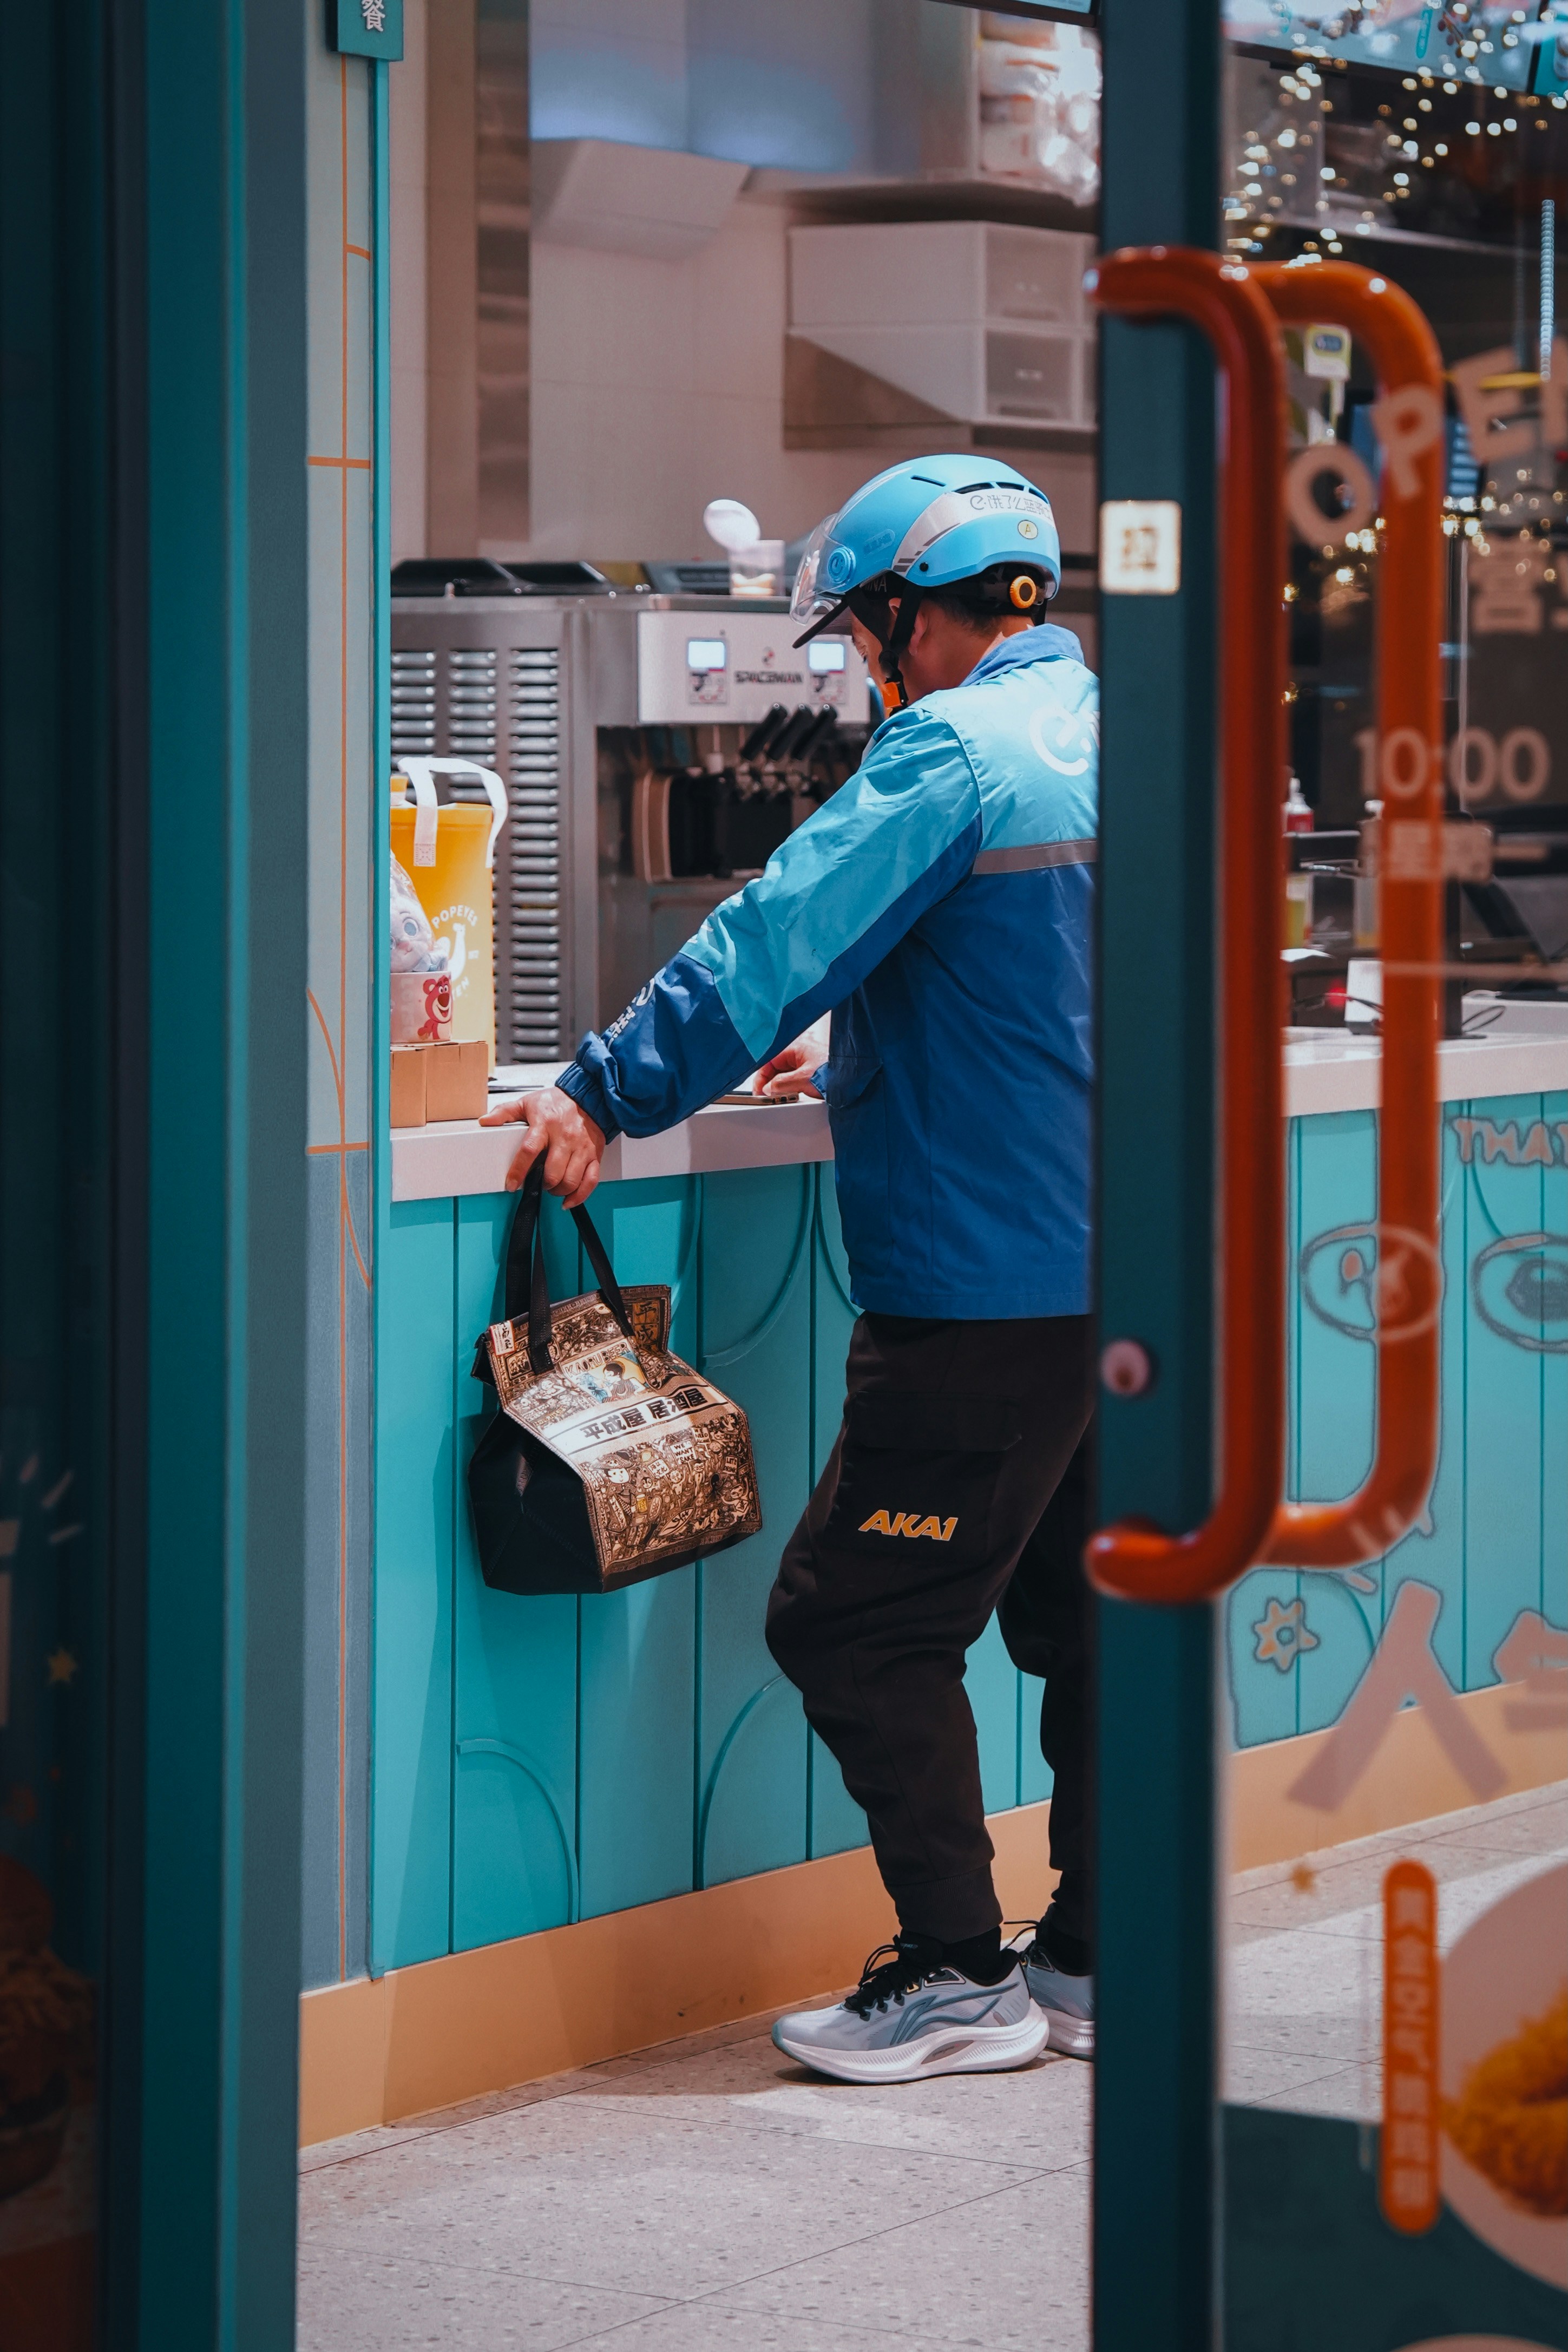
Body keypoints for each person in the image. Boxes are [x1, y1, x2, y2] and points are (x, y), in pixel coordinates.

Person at [482, 455, 1099, 2085]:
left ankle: (961, 1972)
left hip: (989, 1281)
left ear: (908, 613)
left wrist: (600, 1085)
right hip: (1156, 1273)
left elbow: (768, 938)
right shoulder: (1138, 735)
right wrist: (871, 1036)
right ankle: (1105, 1953)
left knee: (855, 1620)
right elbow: (1063, 988)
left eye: (865, 631)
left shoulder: (949, 749)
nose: (864, 664)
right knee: (1095, 1614)